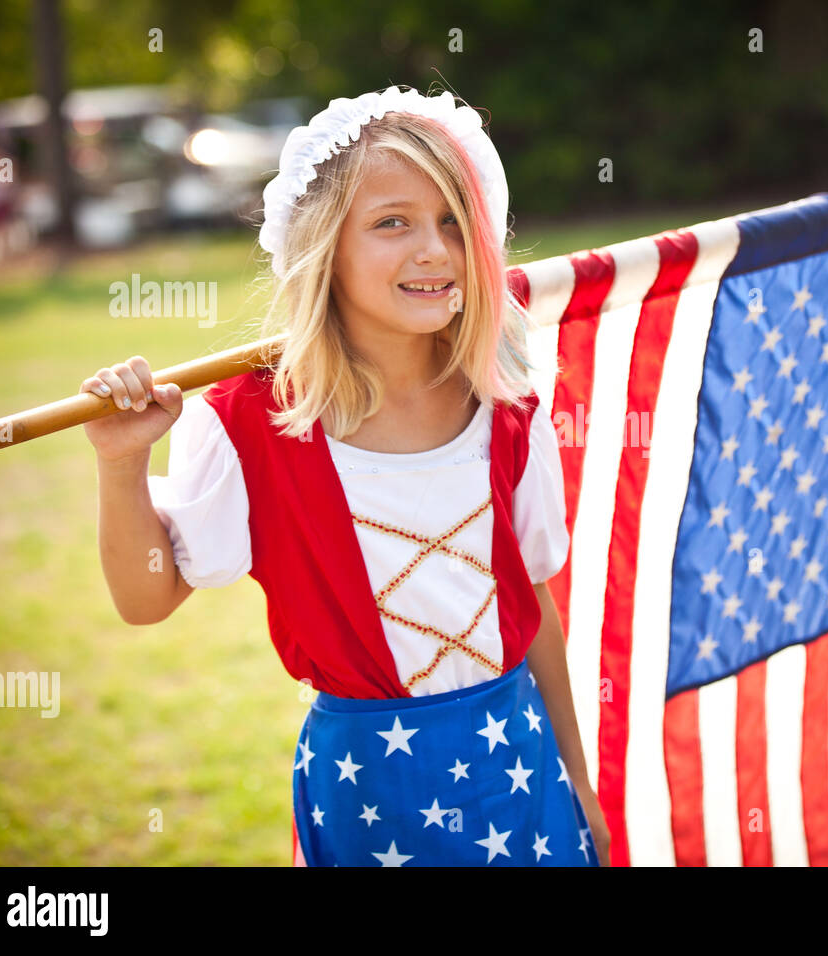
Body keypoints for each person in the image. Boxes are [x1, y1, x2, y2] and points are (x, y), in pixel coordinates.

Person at [80, 84, 610, 867]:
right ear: (324, 248)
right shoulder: (249, 422)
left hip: (517, 772)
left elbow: (533, 600)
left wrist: (580, 784)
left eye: (451, 223)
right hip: (367, 793)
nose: (433, 249)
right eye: (392, 222)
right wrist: (122, 463)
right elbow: (143, 599)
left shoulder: (506, 400)